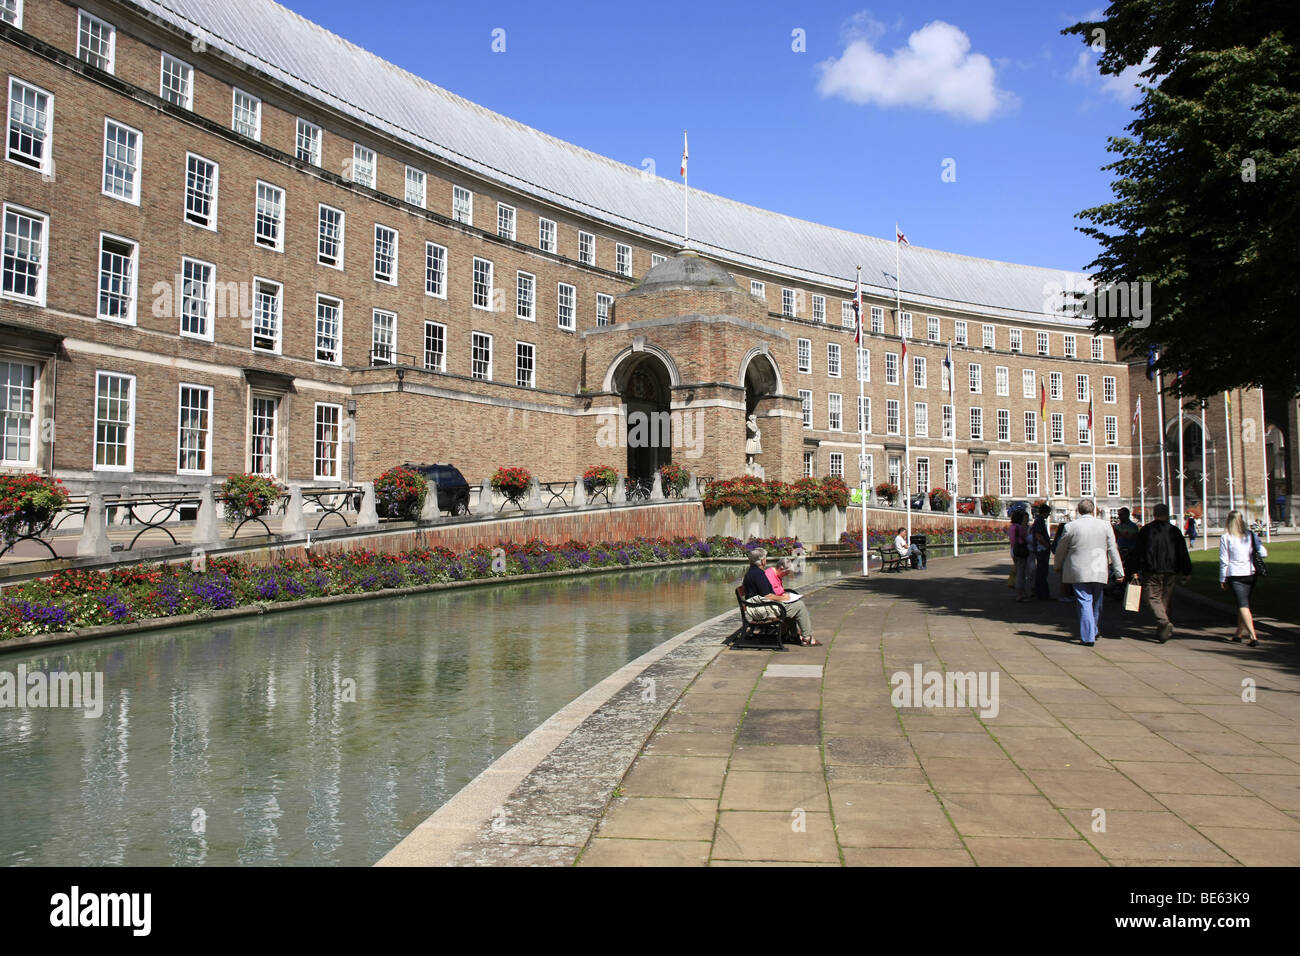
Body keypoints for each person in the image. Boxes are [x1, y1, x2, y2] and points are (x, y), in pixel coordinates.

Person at [1053, 499, 1124, 646]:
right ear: (1093, 510)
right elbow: (1112, 549)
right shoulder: (1105, 526)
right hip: (1099, 568)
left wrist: (1057, 565)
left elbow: (1061, 549)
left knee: (1084, 601)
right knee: (1096, 602)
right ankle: (1092, 631)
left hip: (1078, 570)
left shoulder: (1071, 526)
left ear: (1079, 511)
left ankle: (1089, 634)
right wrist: (1119, 571)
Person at [1133, 503, 1192, 643]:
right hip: (1171, 570)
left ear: (1154, 514)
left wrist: (1135, 569)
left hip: (1152, 569)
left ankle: (1163, 622)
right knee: (1165, 599)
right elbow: (1183, 552)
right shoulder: (1175, 531)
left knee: (1151, 597)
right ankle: (1161, 631)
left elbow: (1138, 551)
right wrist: (1187, 571)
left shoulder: (1147, 530)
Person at [743, 548, 818, 646]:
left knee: (794, 605)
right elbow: (768, 595)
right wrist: (783, 598)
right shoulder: (758, 574)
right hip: (761, 609)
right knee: (799, 606)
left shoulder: (753, 572)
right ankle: (807, 637)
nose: (766, 560)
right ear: (762, 561)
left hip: (760, 605)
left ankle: (793, 635)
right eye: (765, 558)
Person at [1219, 510, 1266, 647]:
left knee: (1243, 605)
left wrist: (1223, 578)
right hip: (1250, 572)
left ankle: (1253, 636)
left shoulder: (1226, 537)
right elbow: (1263, 552)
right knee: (1243, 604)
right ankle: (1238, 633)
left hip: (1235, 574)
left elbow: (1224, 560)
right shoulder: (1250, 535)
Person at [1010, 510, 1033, 601]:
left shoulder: (1012, 527)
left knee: (1018, 570)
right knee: (1021, 573)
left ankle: (1021, 592)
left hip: (1013, 550)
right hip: (1021, 550)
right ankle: (1020, 594)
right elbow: (1026, 539)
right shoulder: (1020, 528)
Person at [1031, 504, 1052, 600]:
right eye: (1048, 513)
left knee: (1041, 571)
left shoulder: (1039, 520)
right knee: (1042, 572)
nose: (1049, 515)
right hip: (1041, 549)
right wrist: (1047, 545)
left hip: (1041, 549)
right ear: (1044, 512)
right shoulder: (1039, 521)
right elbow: (1038, 536)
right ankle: (1043, 594)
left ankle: (1041, 593)